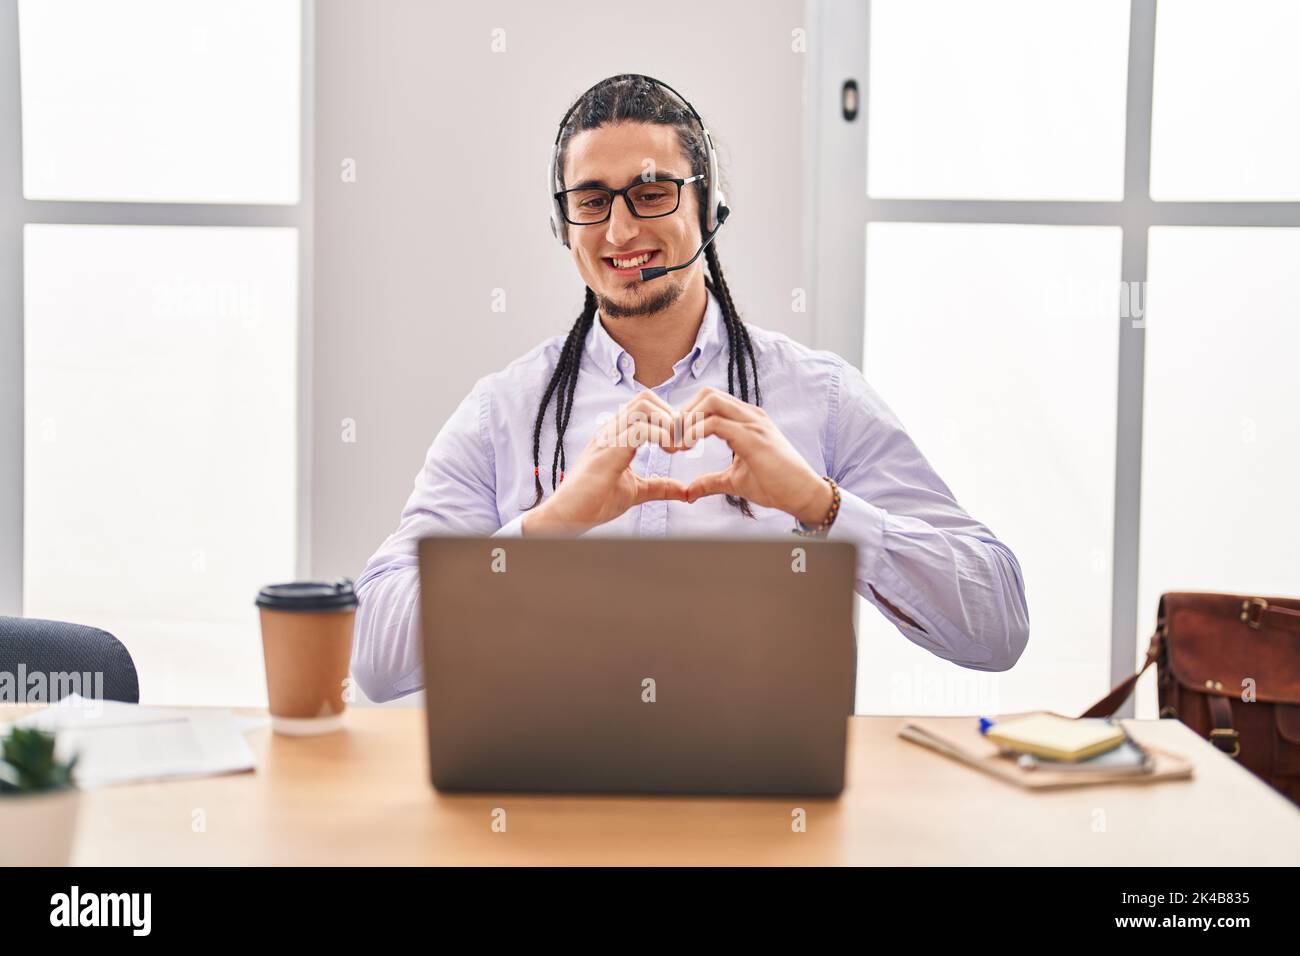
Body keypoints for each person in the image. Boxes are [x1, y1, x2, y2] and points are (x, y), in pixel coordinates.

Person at [350, 74, 1029, 703]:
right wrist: (548, 527)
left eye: (651, 194)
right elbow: (374, 657)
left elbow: (998, 625)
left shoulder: (819, 398)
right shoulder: (505, 412)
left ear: (710, 208)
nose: (619, 231)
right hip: (550, 816)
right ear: (564, 227)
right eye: (591, 202)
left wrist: (820, 505)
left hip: (769, 819)